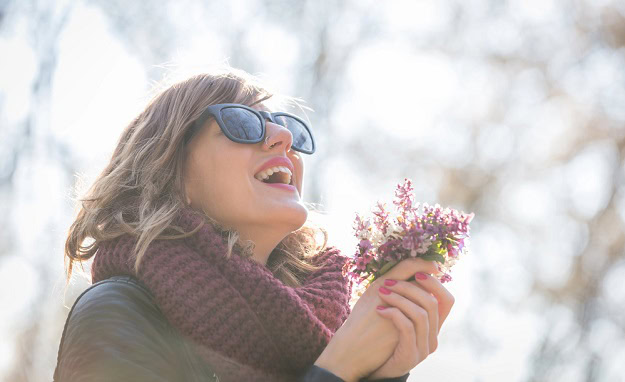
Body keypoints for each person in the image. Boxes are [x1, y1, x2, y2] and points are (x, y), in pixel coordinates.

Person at [54, 67, 455, 382]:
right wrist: (336, 370)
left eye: (288, 128)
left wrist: (381, 374)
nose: (283, 137)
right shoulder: (117, 313)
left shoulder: (322, 326)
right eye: (243, 123)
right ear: (171, 173)